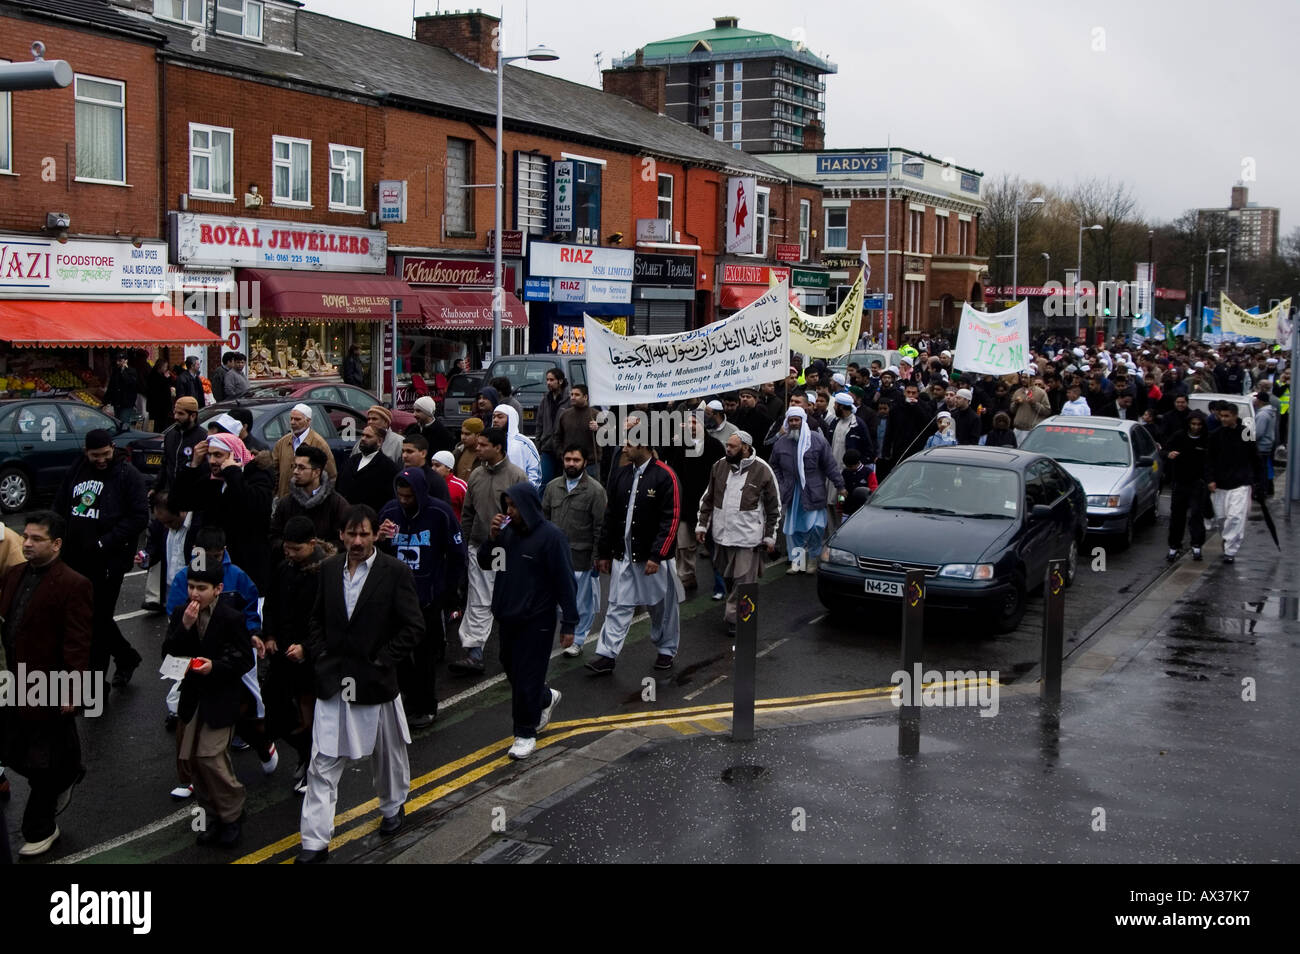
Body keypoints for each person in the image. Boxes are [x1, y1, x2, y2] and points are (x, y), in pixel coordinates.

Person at [296, 506, 424, 864]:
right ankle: (315, 843)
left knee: (387, 755)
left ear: (375, 536)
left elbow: (414, 626)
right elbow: (316, 618)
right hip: (334, 681)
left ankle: (393, 806)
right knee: (321, 764)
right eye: (351, 534)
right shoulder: (329, 569)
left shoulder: (394, 571)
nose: (357, 541)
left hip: (375, 684)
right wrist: (321, 654)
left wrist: (382, 659)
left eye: (364, 534)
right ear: (340, 535)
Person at [0, 512, 92, 858]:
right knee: (15, 750)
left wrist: (72, 688)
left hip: (48, 684)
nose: (26, 543)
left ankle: (40, 827)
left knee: (41, 761)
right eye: (25, 536)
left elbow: (78, 641)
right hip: (13, 681)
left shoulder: (73, 584)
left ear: (56, 544)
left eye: (36, 539)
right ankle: (67, 773)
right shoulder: (14, 575)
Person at [479, 480, 578, 759]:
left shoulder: (551, 537)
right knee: (510, 666)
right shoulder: (507, 533)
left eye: (514, 506)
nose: (510, 511)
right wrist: (492, 537)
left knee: (526, 676)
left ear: (529, 506)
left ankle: (524, 732)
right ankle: (545, 698)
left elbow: (565, 582)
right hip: (508, 616)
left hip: (538, 620)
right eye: (507, 505)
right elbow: (486, 562)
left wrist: (569, 623)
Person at [162, 560, 254, 847]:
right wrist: (185, 627)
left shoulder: (230, 618)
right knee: (193, 761)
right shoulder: (181, 614)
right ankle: (213, 816)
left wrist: (214, 667)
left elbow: (243, 659)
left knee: (210, 757)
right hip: (193, 699)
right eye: (191, 587)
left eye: (202, 588)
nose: (194, 594)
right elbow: (168, 655)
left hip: (220, 699)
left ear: (218, 589)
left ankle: (233, 813)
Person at [588, 417, 683, 675]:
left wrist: (658, 554)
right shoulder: (620, 475)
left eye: (629, 443)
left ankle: (666, 649)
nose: (624, 448)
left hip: (653, 558)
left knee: (661, 607)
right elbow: (611, 516)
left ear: (644, 445)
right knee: (618, 604)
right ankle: (607, 653)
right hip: (624, 555)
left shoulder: (666, 476)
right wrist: (605, 552)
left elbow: (671, 518)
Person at [53, 429, 148, 685]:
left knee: (98, 619)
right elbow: (61, 504)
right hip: (74, 557)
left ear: (113, 448)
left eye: (105, 454)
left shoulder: (129, 476)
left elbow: (139, 517)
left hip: (109, 561)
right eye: (95, 455)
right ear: (86, 452)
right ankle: (126, 656)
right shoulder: (78, 468)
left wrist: (105, 541)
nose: (101, 460)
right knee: (88, 617)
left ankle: (95, 685)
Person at [377, 468, 466, 729]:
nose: (404, 500)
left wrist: (448, 591)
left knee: (426, 656)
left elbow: (456, 554)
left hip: (428, 597)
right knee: (397, 653)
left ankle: (427, 705)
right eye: (400, 495)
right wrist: (380, 538)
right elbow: (376, 554)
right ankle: (409, 698)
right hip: (394, 599)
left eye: (409, 496)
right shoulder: (389, 512)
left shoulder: (439, 513)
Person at [450, 428, 526, 675]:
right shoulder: (476, 475)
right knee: (479, 600)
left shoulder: (517, 477)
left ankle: (516, 653)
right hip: (480, 547)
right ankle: (474, 652)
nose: (478, 449)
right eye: (478, 444)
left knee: (508, 601)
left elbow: (528, 516)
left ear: (498, 448)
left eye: (483, 445)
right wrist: (466, 543)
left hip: (509, 551)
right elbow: (469, 513)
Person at [262, 517, 328, 794]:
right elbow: (272, 604)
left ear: (312, 544)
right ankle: (303, 750)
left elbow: (328, 619)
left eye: (295, 549)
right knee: (272, 707)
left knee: (308, 715)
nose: (289, 554)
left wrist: (306, 648)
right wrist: (270, 636)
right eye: (286, 548)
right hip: (282, 655)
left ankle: (311, 763)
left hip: (309, 661)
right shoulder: (284, 568)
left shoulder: (326, 573)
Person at [695, 431, 780, 637]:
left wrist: (770, 537)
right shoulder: (719, 466)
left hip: (747, 538)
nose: (728, 449)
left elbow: (774, 508)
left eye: (732, 446)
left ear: (745, 447)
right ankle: (737, 612)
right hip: (722, 537)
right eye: (727, 445)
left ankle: (736, 619)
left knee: (744, 582)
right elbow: (708, 498)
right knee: (729, 579)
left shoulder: (763, 470)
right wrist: (702, 525)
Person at [171, 430, 274, 590]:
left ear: (235, 455)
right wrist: (193, 465)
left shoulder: (258, 475)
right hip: (212, 567)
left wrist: (233, 473)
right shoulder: (212, 481)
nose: (212, 461)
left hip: (247, 565)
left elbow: (255, 507)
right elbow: (178, 502)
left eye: (218, 455)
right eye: (209, 455)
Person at [542, 444, 607, 658]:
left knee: (581, 602)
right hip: (554, 557)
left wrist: (598, 557)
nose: (571, 463)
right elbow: (544, 519)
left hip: (581, 558)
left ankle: (578, 639)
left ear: (585, 463)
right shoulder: (552, 487)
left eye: (576, 460)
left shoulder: (595, 491)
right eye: (568, 459)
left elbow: (600, 526)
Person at [770, 406, 844, 574]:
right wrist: (781, 483)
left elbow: (830, 465)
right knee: (792, 528)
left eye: (797, 420)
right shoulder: (781, 442)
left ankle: (812, 558)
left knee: (816, 527)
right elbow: (774, 465)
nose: (794, 423)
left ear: (803, 421)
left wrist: (840, 486)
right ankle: (797, 562)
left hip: (813, 490)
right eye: (791, 420)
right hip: (790, 491)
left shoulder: (817, 440)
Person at [663, 413, 725, 593]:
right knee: (684, 545)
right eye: (687, 423)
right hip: (684, 503)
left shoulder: (714, 446)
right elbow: (670, 468)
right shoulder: (679, 445)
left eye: (694, 423)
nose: (690, 426)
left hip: (707, 504)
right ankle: (687, 577)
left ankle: (721, 581)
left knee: (713, 544)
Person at [1205, 401, 1265, 564]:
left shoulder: (1246, 434)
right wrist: (1210, 479)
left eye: (1227, 416)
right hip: (1220, 484)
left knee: (1235, 517)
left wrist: (1258, 481)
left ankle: (1230, 549)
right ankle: (1227, 539)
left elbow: (1255, 458)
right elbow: (1209, 459)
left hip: (1240, 483)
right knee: (1222, 517)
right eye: (1221, 416)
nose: (1223, 419)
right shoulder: (1216, 435)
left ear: (1235, 416)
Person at [269, 444, 350, 556]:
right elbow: (273, 537)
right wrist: (289, 547)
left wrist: (317, 550)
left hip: (324, 568)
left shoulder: (337, 504)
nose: (295, 472)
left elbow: (345, 540)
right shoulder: (286, 503)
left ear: (316, 472)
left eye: (301, 468)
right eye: (295, 466)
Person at [1165, 410, 1209, 562]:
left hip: (1198, 482)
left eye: (1199, 424)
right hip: (1180, 481)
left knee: (1196, 515)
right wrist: (1169, 454)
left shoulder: (1206, 439)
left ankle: (1196, 545)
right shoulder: (1179, 436)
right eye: (1193, 424)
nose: (1196, 427)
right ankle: (1174, 546)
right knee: (1177, 515)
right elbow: (1165, 449)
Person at [271, 404, 337, 498]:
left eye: (297, 419)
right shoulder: (282, 443)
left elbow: (331, 475)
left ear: (308, 421)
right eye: (291, 419)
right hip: (284, 501)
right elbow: (274, 472)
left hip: (308, 503)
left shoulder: (319, 444)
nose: (293, 422)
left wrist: (318, 499)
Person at [336, 425, 401, 514]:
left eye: (368, 436)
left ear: (379, 441)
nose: (363, 439)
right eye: (362, 435)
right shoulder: (352, 460)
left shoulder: (388, 467)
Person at [535, 367, 572, 486]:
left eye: (551, 380)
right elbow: (539, 423)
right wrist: (538, 443)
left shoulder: (569, 400)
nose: (548, 383)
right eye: (547, 380)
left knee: (563, 482)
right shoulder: (545, 399)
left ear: (560, 381)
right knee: (545, 482)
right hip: (547, 447)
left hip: (564, 448)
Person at [554, 383, 600, 476]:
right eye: (572, 394)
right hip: (570, 463)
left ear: (585, 397)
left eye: (577, 395)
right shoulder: (565, 415)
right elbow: (557, 437)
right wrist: (561, 454)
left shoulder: (596, 415)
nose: (573, 397)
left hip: (591, 464)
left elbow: (608, 437)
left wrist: (598, 429)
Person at [492, 404, 542, 489]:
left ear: (511, 419)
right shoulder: (489, 442)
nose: (495, 420)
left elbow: (534, 471)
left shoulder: (524, 443)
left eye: (500, 417)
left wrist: (527, 491)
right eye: (494, 417)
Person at [1011, 375, 1052, 444]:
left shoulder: (1041, 393)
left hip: (1032, 430)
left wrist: (1034, 403)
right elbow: (1012, 410)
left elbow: (1047, 411)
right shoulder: (1017, 392)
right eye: (1022, 377)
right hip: (1018, 430)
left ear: (1032, 379)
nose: (1023, 379)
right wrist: (1016, 403)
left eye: (1026, 378)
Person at [103, 352, 141, 427]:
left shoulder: (132, 371)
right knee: (118, 422)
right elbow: (111, 386)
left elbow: (130, 382)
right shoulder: (115, 371)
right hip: (117, 402)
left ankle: (126, 437)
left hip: (127, 403)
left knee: (124, 422)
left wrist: (124, 371)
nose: (118, 363)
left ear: (126, 361)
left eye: (120, 361)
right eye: (117, 360)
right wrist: (106, 400)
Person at [1253, 392, 1278, 497]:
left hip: (1261, 446)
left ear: (1261, 401)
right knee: (1264, 468)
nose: (1255, 401)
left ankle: (1261, 491)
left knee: (1260, 469)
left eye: (1257, 399)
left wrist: (1249, 439)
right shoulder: (1270, 412)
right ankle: (1264, 489)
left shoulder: (1262, 414)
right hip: (1267, 444)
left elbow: (1258, 433)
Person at [431, 450, 467, 519]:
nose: (433, 468)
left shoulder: (460, 486)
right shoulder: (428, 483)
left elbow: (468, 511)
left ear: (448, 468)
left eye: (437, 465)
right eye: (432, 465)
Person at [146, 357, 176, 432]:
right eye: (165, 366)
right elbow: (159, 388)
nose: (166, 368)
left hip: (163, 405)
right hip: (158, 405)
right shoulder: (154, 376)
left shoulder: (161, 375)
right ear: (161, 366)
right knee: (159, 424)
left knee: (163, 423)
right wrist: (166, 379)